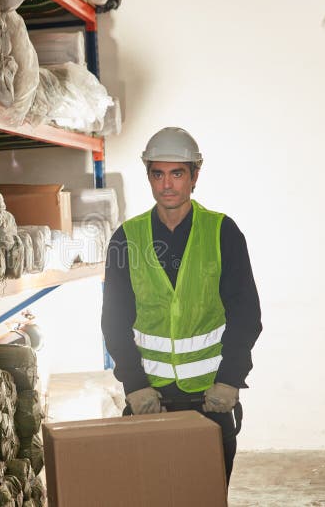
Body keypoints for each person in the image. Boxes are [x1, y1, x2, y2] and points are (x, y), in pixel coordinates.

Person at [101, 126, 262, 484]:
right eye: (158, 174)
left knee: (205, 494)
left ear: (194, 177)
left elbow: (246, 316)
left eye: (177, 174)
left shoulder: (222, 232)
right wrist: (134, 384)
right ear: (149, 177)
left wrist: (230, 380)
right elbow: (114, 320)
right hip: (149, 398)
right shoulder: (126, 239)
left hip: (210, 399)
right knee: (155, 495)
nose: (167, 184)